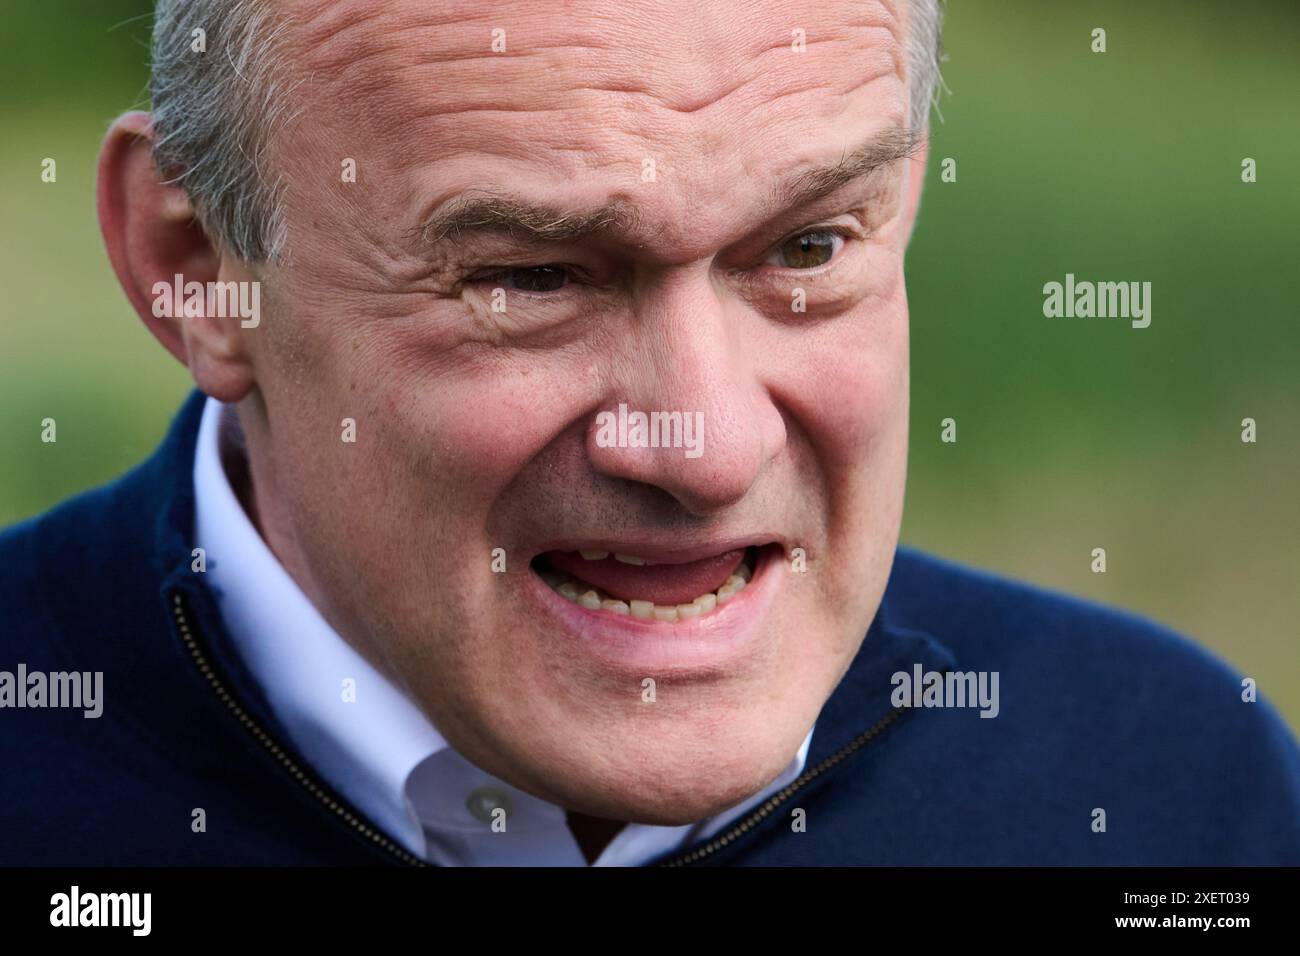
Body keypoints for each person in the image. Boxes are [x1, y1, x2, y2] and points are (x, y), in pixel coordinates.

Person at [2, 0, 1297, 866]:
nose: (707, 447)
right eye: (530, 280)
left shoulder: (1167, 792)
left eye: (805, 248)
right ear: (198, 272)